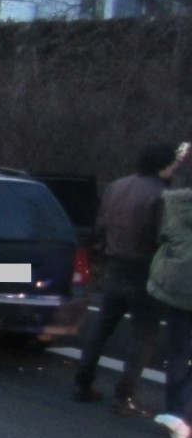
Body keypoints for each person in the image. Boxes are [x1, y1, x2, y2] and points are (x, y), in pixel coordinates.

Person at [73, 142, 181, 415]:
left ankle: (82, 382)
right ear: (164, 165)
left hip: (115, 265)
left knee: (102, 326)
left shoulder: (117, 186)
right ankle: (125, 395)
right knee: (144, 335)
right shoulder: (162, 195)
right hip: (145, 268)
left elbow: (101, 225)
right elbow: (166, 235)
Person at [153, 142, 192, 438]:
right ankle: (181, 416)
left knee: (178, 353)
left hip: (179, 285)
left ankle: (173, 410)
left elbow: (162, 235)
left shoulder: (174, 204)